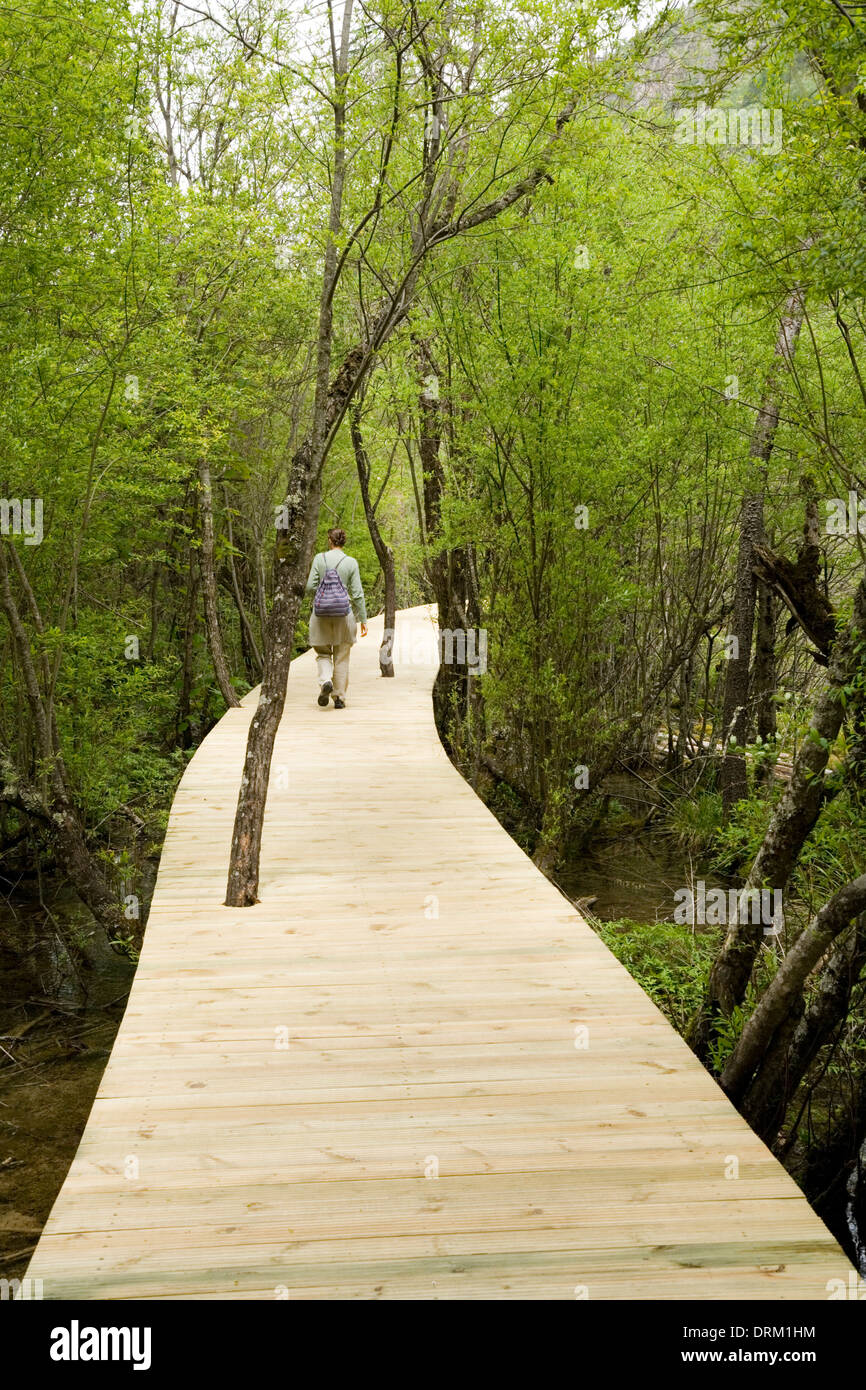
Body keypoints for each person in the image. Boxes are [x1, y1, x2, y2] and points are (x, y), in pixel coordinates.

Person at [305, 527, 367, 709]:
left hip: (320, 615)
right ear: (343, 542)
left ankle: (325, 680)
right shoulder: (351, 562)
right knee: (341, 657)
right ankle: (339, 698)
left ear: (330, 541)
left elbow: (309, 586)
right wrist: (363, 619)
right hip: (344, 615)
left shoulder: (319, 559)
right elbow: (357, 594)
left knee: (323, 653)